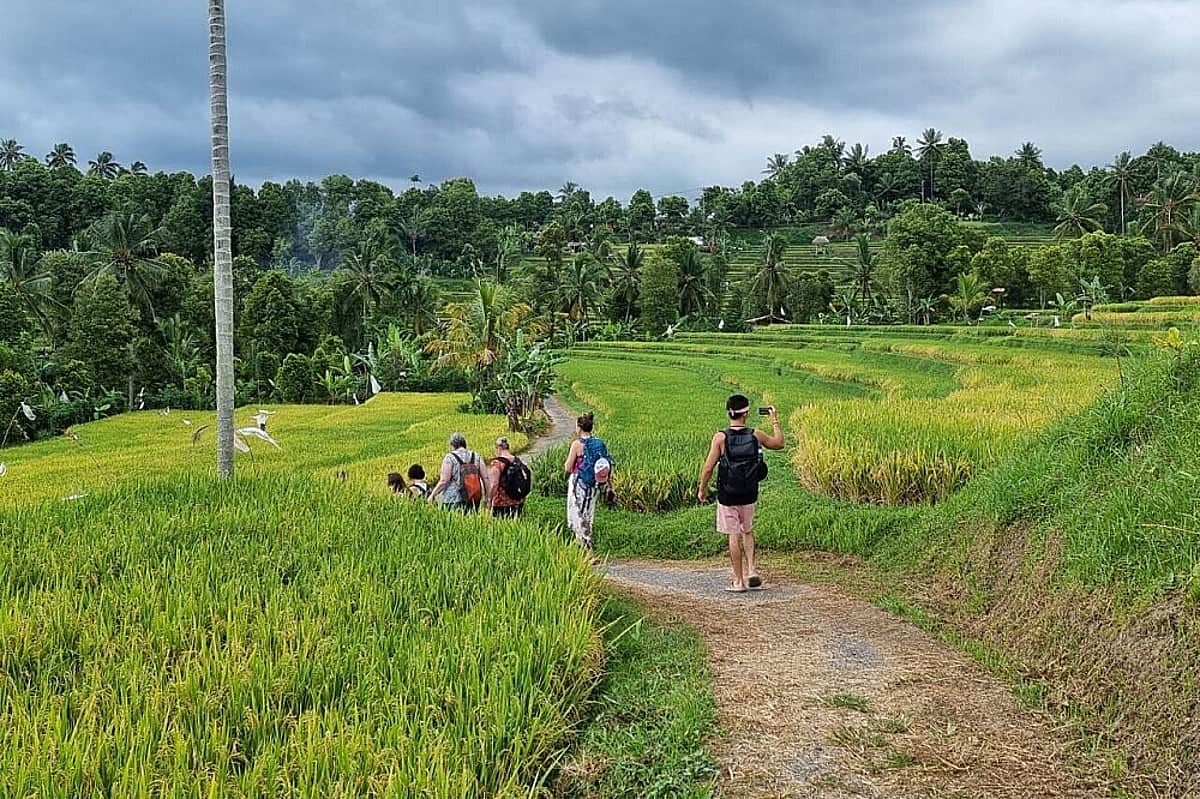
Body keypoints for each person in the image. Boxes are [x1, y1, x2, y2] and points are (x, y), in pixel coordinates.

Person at [697, 395, 785, 593]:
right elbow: (779, 444)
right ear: (745, 413)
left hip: (728, 494)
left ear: (729, 412)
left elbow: (708, 468)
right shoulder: (756, 435)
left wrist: (702, 489)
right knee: (747, 531)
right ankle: (752, 570)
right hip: (749, 492)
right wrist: (774, 419)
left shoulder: (720, 437)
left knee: (733, 535)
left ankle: (738, 581)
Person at [563, 412, 613, 550]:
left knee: (577, 511)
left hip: (579, 482)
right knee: (588, 511)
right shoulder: (599, 443)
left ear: (579, 428)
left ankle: (583, 544)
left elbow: (568, 467)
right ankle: (587, 540)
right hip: (594, 483)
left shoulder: (577, 444)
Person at [428, 433, 488, 512]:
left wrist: (432, 495)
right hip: (473, 498)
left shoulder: (450, 457)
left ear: (452, 445)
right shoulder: (476, 456)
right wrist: (488, 497)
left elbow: (444, 480)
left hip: (453, 499)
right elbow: (485, 478)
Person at [489, 437, 532, 518]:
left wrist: (489, 500)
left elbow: (494, 484)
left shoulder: (497, 464)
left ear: (499, 448)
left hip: (501, 504)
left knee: (501, 528)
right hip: (518, 501)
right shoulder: (517, 461)